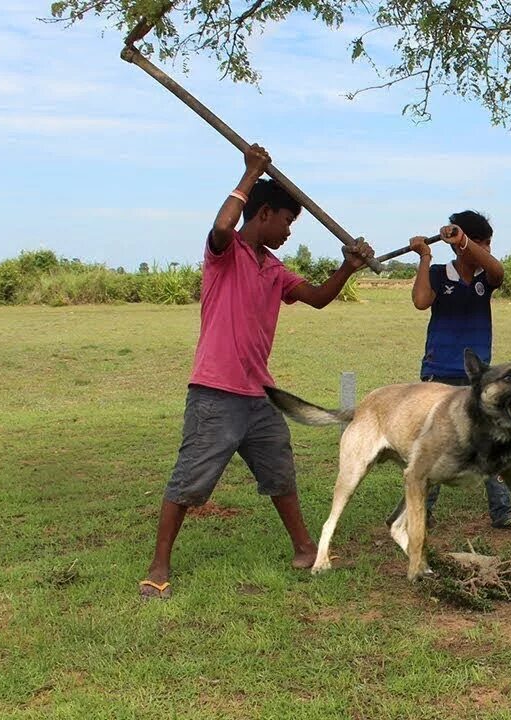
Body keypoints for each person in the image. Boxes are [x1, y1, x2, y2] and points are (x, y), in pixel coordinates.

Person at [139, 144, 375, 599]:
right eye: (286, 221)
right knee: (190, 478)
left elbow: (319, 297)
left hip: (259, 395)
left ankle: (305, 548)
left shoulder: (274, 268)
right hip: (215, 392)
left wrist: (347, 267)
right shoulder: (225, 255)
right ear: (263, 213)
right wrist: (249, 174)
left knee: (279, 470)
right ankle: (159, 565)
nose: (288, 231)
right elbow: (222, 226)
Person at [399, 210, 511, 531]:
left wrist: (465, 241)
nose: (487, 251)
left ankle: (503, 513)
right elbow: (419, 301)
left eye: (487, 244)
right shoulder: (440, 274)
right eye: (484, 244)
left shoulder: (488, 276)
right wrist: (425, 257)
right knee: (436, 445)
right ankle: (419, 515)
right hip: (438, 372)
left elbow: (497, 269)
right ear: (459, 245)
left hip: (478, 376)